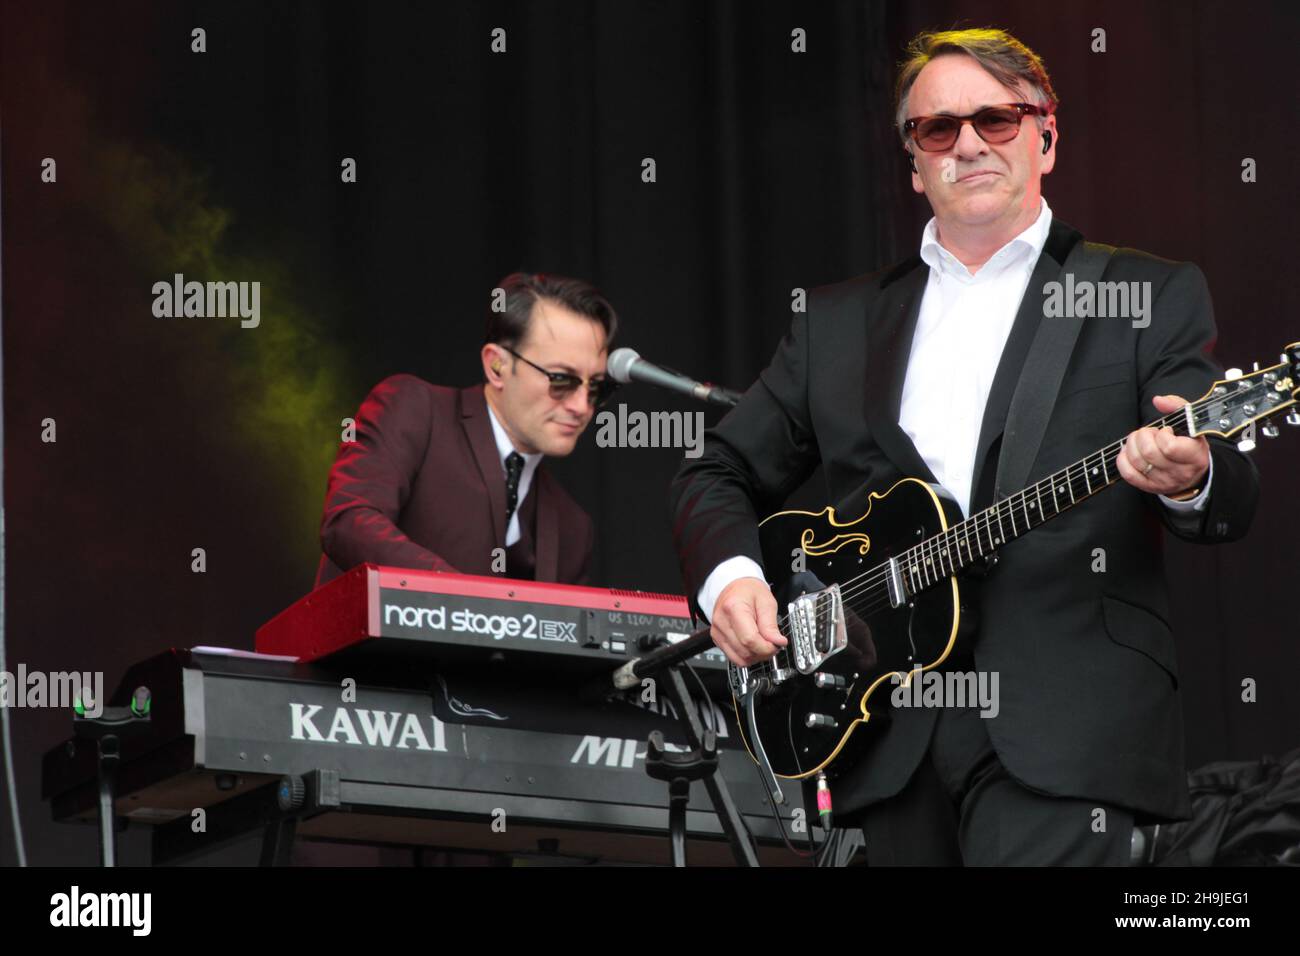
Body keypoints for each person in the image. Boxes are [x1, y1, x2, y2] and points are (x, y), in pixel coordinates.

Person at [669, 28, 1260, 865]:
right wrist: (731, 580)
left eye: (998, 119)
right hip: (885, 727)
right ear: (914, 164)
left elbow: (1230, 490)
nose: (970, 144)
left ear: (1046, 137)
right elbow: (715, 469)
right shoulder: (838, 323)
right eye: (939, 129)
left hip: (1065, 726)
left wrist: (1192, 475)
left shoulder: (1146, 292)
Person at [316, 272, 618, 587]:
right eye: (561, 379)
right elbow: (348, 521)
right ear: (496, 366)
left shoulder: (573, 526)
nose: (582, 406)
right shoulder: (416, 410)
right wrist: (461, 599)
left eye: (596, 387)